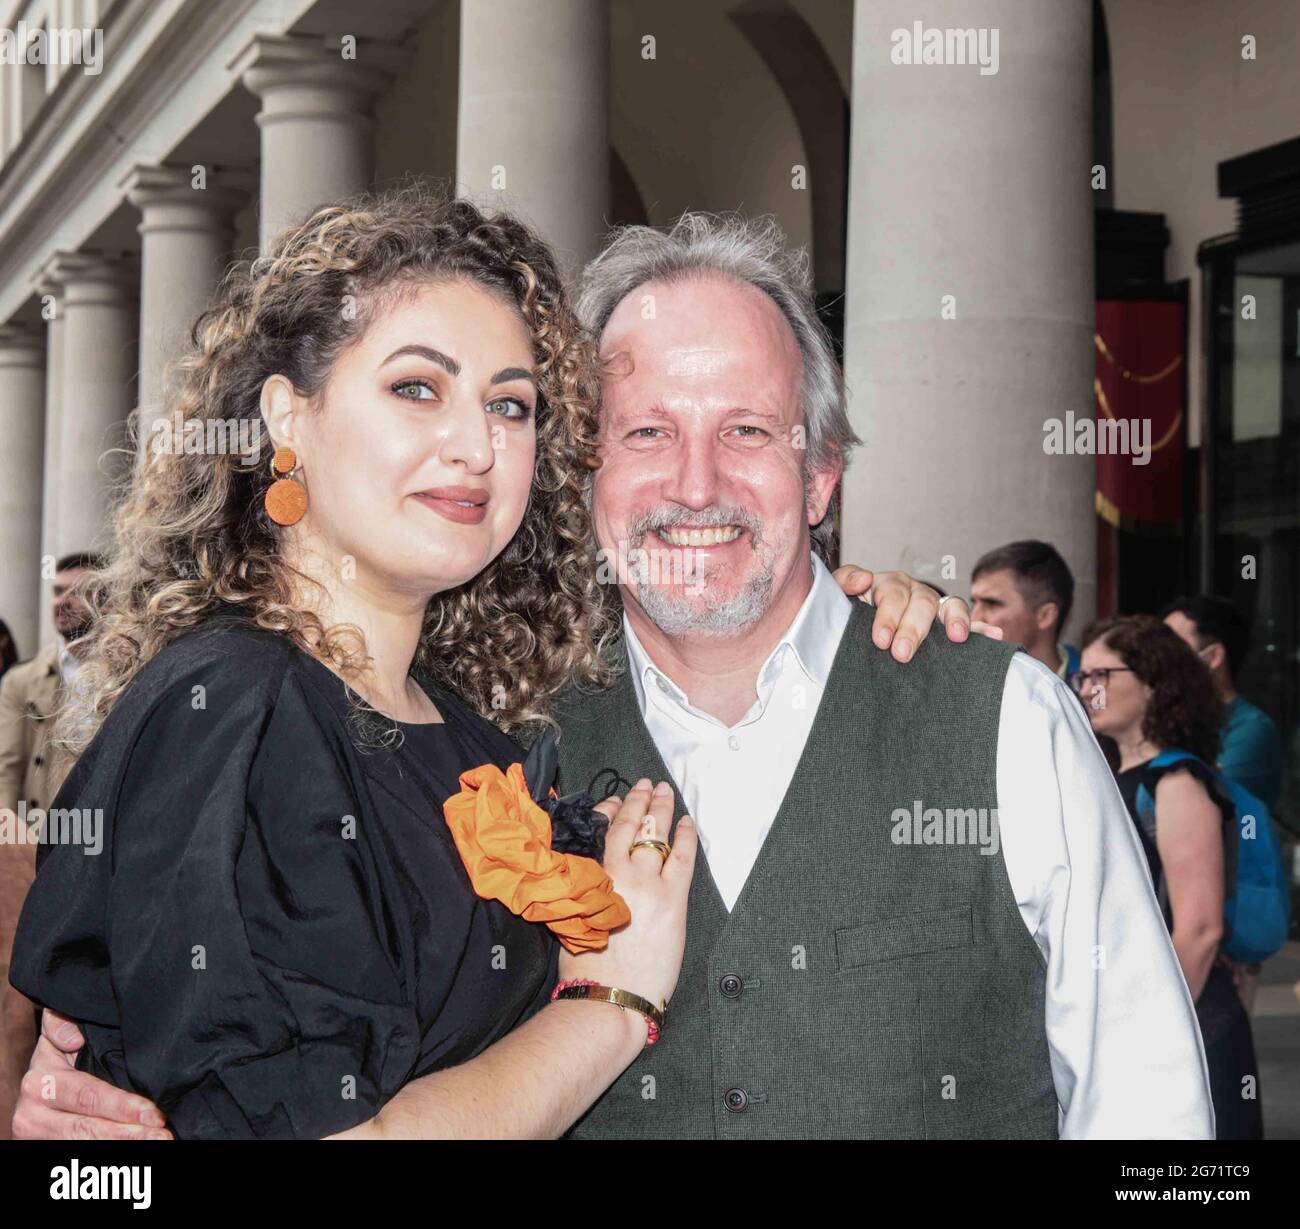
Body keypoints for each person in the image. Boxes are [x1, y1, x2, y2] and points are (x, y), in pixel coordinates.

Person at [8, 190, 958, 1141]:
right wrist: (608, 1004)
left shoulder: (473, 726)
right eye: (417, 387)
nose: (475, 447)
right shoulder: (230, 711)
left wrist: (841, 605)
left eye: (510, 404)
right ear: (287, 418)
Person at [1077, 615, 1263, 1140]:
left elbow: (1200, 930)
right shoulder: (1117, 775)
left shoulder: (1175, 780)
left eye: (1102, 675)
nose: (1087, 689)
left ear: (1154, 682)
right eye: (1082, 676)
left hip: (1186, 1027)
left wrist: (1147, 1038)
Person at [0, 552, 99, 1139]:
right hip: (29, 860)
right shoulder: (22, 682)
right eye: (56, 591)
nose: (62, 600)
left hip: (97, 860)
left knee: (79, 1008)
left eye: (77, 591)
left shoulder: (134, 670)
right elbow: (5, 774)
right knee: (17, 1010)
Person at [1162, 595, 1283, 811]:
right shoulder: (1165, 718)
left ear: (1213, 657)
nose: (1158, 658)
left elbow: (1206, 810)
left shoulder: (1250, 730)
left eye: (1171, 647)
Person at [971, 540, 1080, 679]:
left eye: (992, 604)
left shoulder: (1095, 690)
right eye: (974, 603)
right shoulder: (965, 682)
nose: (974, 618)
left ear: (1045, 615)